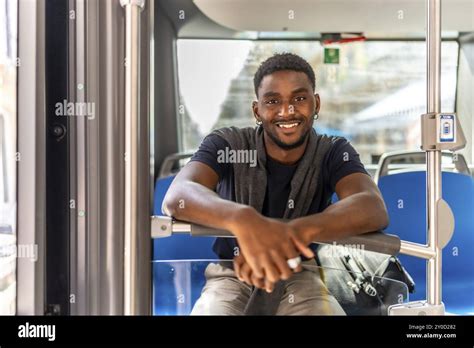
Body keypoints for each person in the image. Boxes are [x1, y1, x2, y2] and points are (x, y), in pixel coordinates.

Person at [162, 53, 388, 315]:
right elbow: (177, 196)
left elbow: (372, 206)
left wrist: (292, 233)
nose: (287, 110)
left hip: (301, 271)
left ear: (316, 104)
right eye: (272, 101)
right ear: (257, 110)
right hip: (232, 273)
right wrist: (245, 220)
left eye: (299, 99)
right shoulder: (225, 143)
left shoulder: (333, 151)